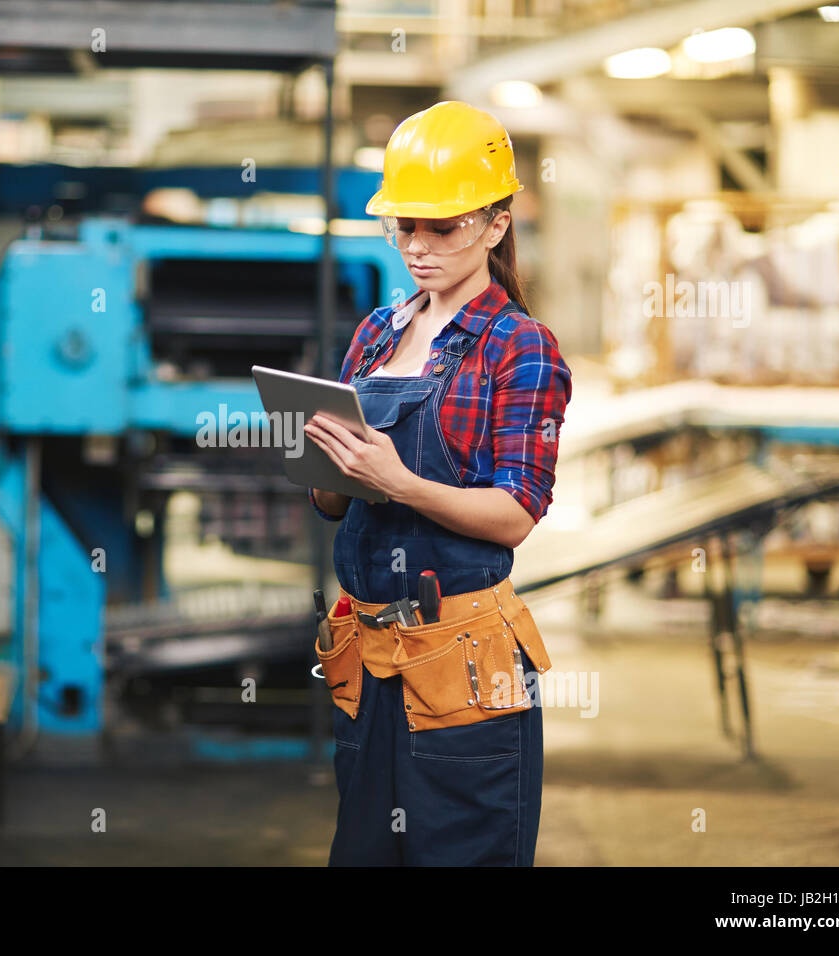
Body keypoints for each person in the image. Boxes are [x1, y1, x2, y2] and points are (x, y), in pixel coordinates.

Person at [304, 101, 573, 866]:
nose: (418, 247)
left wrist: (397, 481)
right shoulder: (376, 333)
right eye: (406, 226)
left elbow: (515, 513)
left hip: (463, 665)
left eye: (442, 227)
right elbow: (333, 503)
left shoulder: (520, 349)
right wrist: (327, 470)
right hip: (368, 658)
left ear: (494, 224)